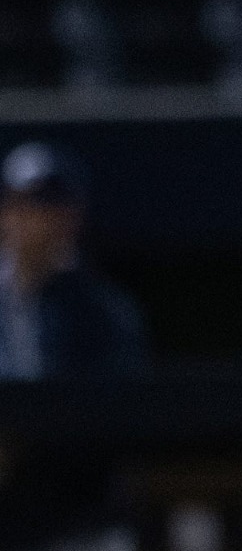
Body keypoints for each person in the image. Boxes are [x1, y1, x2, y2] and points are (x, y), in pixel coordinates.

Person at [0, 142, 147, 551]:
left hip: (83, 524)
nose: (36, 220)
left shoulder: (100, 310)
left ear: (73, 215)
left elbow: (120, 416)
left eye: (49, 205)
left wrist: (23, 440)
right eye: (21, 204)